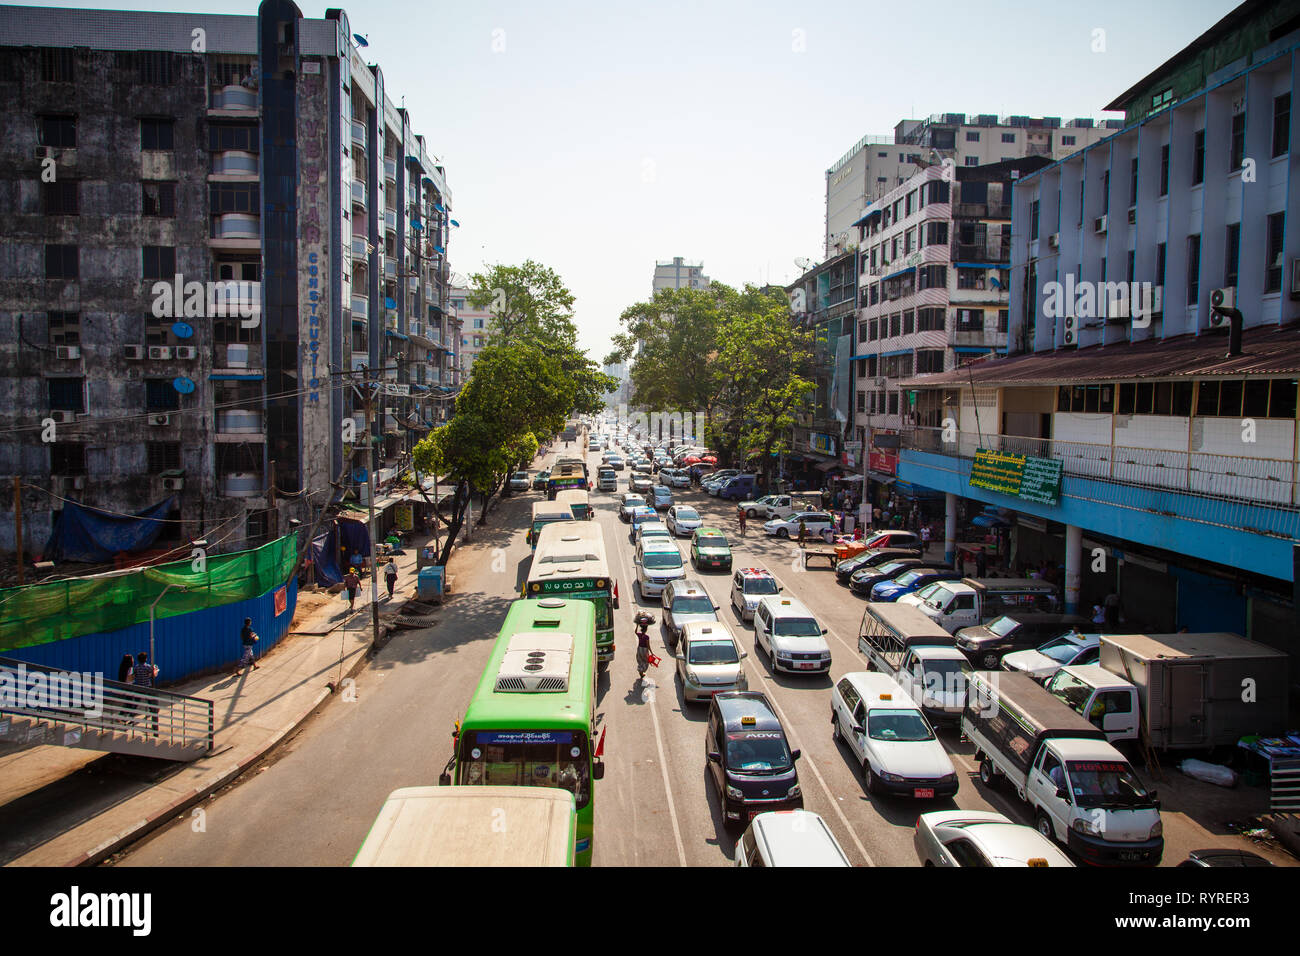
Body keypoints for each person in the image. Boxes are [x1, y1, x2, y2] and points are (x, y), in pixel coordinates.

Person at [132, 652, 160, 736]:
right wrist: (156, 669)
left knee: (135, 704)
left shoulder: (136, 667)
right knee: (152, 705)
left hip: (139, 687)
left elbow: (134, 676)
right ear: (145, 659)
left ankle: (130, 716)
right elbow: (153, 675)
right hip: (147, 687)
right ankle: (154, 722)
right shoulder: (147, 667)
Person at [634, 611, 654, 679]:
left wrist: (637, 625)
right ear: (646, 630)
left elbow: (635, 632)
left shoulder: (639, 635)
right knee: (645, 661)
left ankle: (640, 672)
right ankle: (642, 671)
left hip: (639, 649)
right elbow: (648, 645)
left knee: (640, 660)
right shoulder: (647, 637)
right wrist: (651, 652)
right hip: (645, 650)